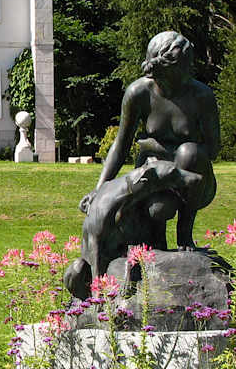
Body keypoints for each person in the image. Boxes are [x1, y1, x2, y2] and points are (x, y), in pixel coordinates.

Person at [81, 31, 219, 250]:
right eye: (186, 65)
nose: (190, 70)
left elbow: (212, 150)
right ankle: (155, 248)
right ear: (167, 69)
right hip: (153, 174)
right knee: (158, 211)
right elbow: (121, 145)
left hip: (194, 177)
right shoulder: (138, 93)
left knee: (189, 153)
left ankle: (185, 236)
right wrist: (99, 190)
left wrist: (153, 146)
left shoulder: (202, 96)